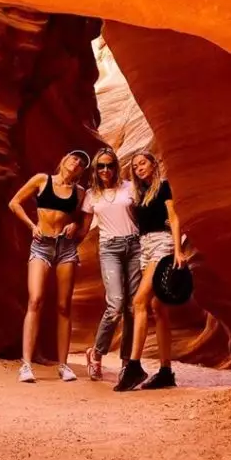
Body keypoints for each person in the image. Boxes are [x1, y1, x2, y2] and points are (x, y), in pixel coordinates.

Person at [8, 149, 90, 383]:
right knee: (35, 300)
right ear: (64, 160)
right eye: (74, 158)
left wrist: (74, 225)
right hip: (41, 245)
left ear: (82, 171)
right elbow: (14, 203)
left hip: (65, 249)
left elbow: (82, 224)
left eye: (81, 163)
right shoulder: (42, 180)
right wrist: (31, 225)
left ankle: (63, 365)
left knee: (64, 306)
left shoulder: (80, 193)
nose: (76, 163)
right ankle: (26, 364)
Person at [114, 151, 187, 392]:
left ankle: (134, 366)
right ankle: (166, 371)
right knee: (158, 308)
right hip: (145, 246)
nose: (138, 168)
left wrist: (177, 250)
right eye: (135, 166)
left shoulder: (164, 187)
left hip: (162, 244)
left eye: (142, 163)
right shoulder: (141, 193)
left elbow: (174, 218)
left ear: (153, 164)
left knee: (139, 301)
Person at [76, 147, 141, 381]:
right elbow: (84, 227)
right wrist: (68, 246)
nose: (105, 170)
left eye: (109, 165)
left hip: (135, 247)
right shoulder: (92, 195)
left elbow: (142, 215)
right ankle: (96, 354)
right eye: (101, 166)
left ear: (116, 166)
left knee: (133, 307)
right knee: (115, 304)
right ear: (95, 169)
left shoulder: (129, 187)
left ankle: (127, 363)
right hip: (110, 248)